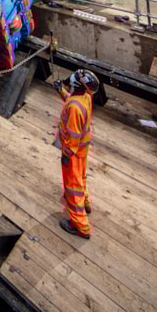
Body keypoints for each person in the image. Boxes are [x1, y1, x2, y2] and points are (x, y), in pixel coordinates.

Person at [54, 68, 100, 238]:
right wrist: (62, 92)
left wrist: (66, 154)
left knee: (72, 188)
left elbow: (73, 133)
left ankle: (81, 226)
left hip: (72, 153)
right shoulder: (86, 97)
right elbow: (73, 101)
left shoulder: (74, 108)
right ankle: (86, 202)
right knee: (81, 178)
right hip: (82, 150)